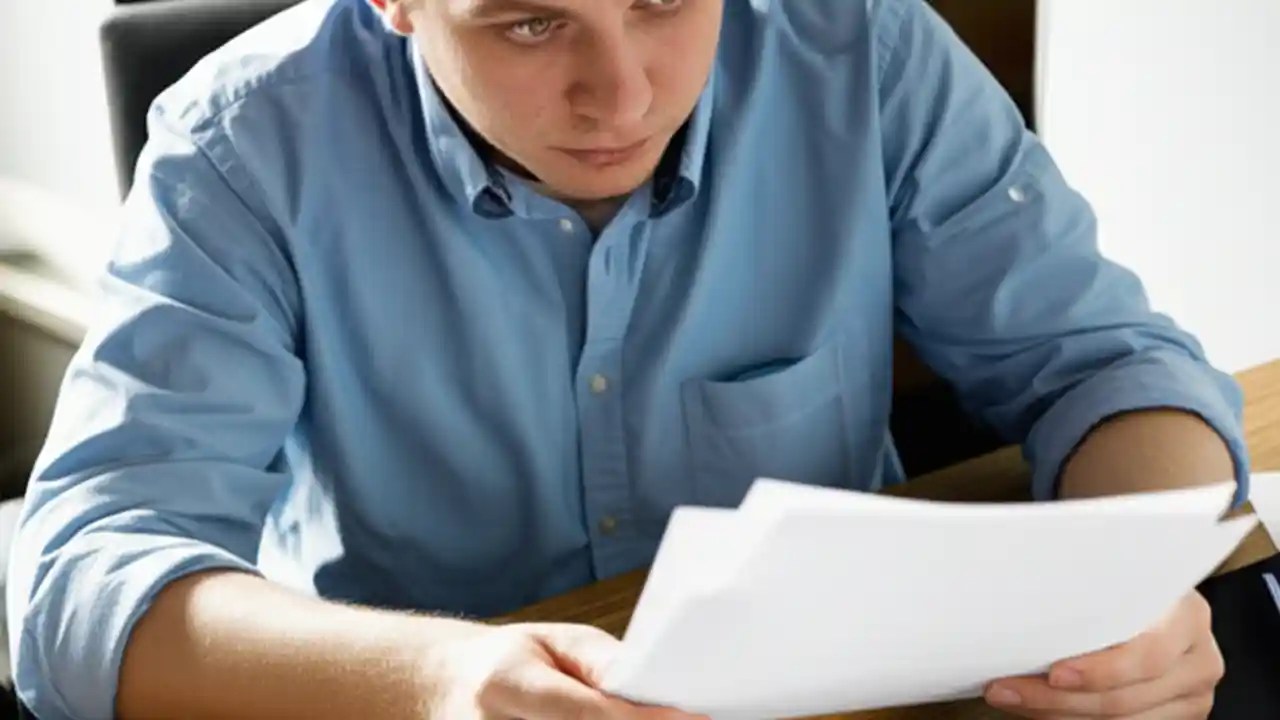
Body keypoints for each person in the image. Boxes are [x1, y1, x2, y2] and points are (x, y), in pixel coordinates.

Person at [6, 0, 1249, 718]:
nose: (622, 92)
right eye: (532, 21)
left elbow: (1108, 367)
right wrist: (441, 678)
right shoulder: (241, 148)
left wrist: (1128, 595)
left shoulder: (862, 47)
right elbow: (75, 579)